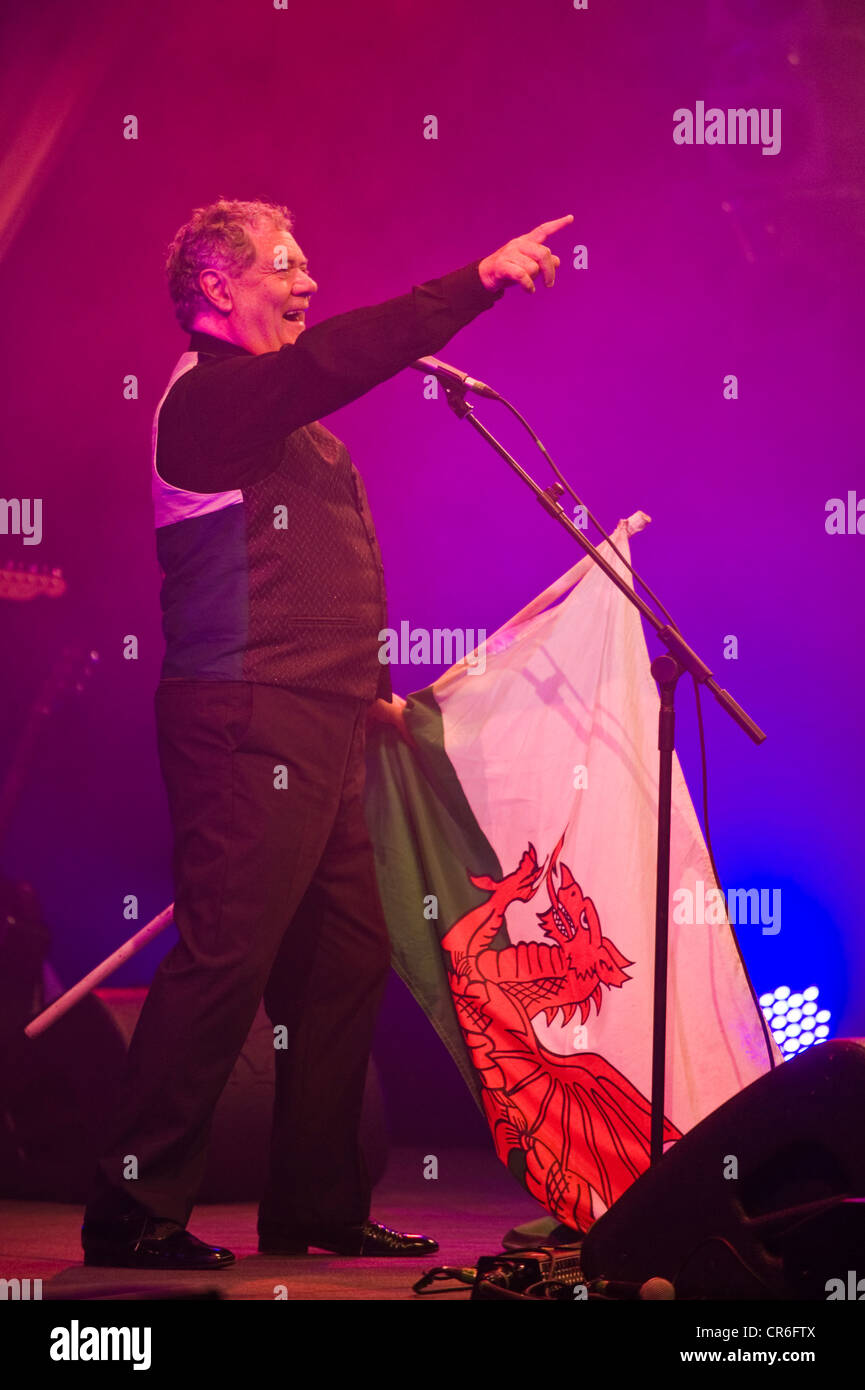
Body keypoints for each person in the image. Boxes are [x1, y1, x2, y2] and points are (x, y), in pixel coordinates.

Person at [80, 198, 572, 1269]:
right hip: (246, 714)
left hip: (322, 720)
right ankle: (132, 1208)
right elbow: (342, 355)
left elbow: (328, 579)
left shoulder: (298, 433)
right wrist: (472, 282)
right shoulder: (210, 400)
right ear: (218, 287)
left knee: (345, 958)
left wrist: (376, 694)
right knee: (225, 957)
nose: (309, 283)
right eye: (287, 265)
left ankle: (313, 1207)